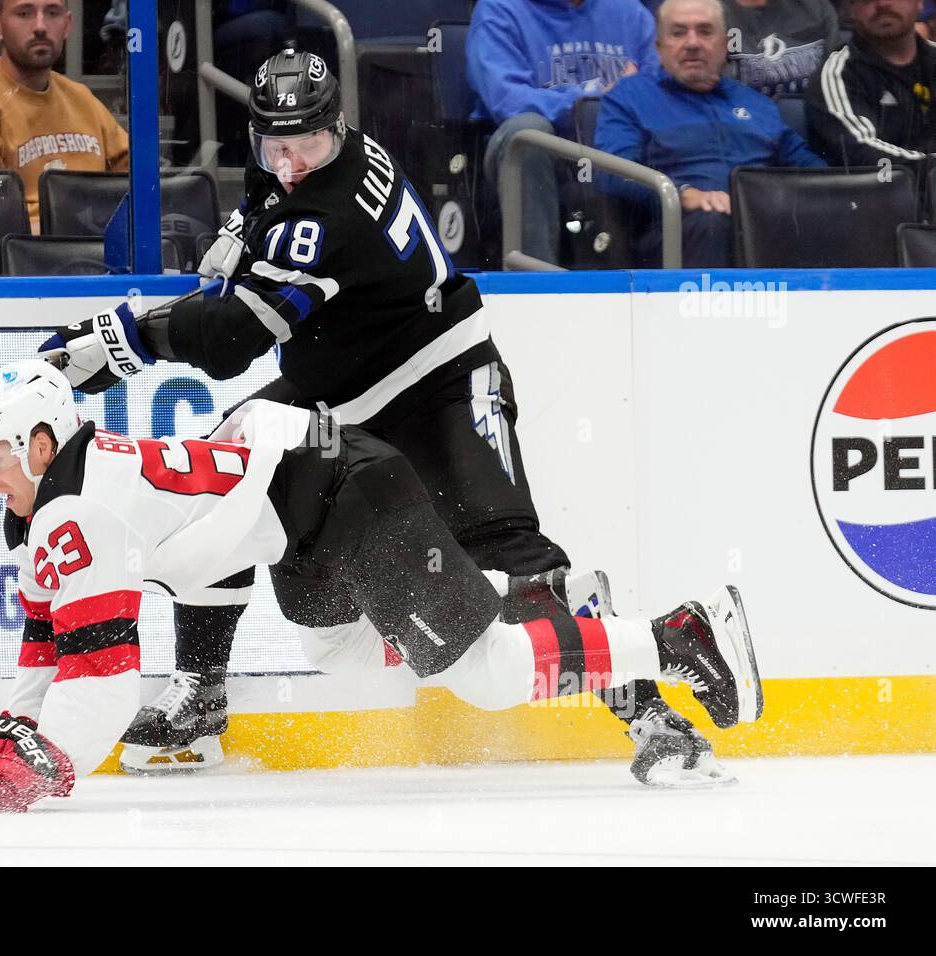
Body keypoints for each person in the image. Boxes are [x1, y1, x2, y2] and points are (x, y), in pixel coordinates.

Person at [41, 48, 734, 789]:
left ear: (335, 130)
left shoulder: (327, 213)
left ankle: (652, 710)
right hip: (335, 397)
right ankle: (202, 690)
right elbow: (251, 250)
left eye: (306, 142)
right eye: (276, 145)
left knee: (515, 559)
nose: (291, 161)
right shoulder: (302, 168)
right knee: (220, 473)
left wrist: (124, 338)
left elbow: (232, 341)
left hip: (440, 386)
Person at [0, 359, 764, 813]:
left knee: (487, 677)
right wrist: (13, 726)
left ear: (41, 440)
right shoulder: (61, 507)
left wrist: (45, 759)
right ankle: (516, 601)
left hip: (347, 494)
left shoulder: (80, 510)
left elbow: (103, 677)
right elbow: (50, 646)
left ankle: (679, 634)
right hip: (306, 524)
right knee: (336, 647)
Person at [595, 0, 826, 267]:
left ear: (726, 45)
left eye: (705, 31)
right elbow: (615, 173)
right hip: (675, 231)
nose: (692, 43)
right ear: (659, 48)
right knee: (714, 222)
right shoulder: (629, 97)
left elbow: (810, 168)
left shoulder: (755, 103)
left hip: (759, 221)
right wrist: (683, 195)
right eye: (678, 32)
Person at [466, 0, 660, 263]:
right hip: (533, 154)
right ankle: (536, 284)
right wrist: (596, 97)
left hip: (614, 146)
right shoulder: (499, 10)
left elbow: (660, 89)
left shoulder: (629, 12)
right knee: (530, 132)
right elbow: (509, 102)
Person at [0, 0, 128, 231]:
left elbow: (136, 181)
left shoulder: (81, 98)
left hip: (99, 247)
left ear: (67, 25)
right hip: (23, 258)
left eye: (52, 13)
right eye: (25, 13)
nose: (40, 26)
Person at [806, 0, 936, 167]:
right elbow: (865, 155)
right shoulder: (838, 75)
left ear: (919, 3)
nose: (882, 3)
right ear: (852, 10)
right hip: (882, 190)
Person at [723, 0, 841, 97]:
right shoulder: (711, 13)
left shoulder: (816, 8)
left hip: (813, 116)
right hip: (737, 118)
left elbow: (838, 78)